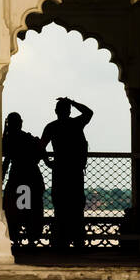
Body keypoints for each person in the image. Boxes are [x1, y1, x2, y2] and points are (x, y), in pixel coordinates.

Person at [40, 97, 93, 252]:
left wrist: (47, 161)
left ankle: (60, 241)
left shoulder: (52, 127)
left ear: (56, 111)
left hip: (60, 170)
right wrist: (72, 101)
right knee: (76, 207)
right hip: (74, 170)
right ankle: (77, 241)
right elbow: (89, 112)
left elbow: (41, 145)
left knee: (61, 206)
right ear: (69, 111)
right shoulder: (76, 124)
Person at [1, 112, 45, 248]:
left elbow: (7, 159)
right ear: (21, 123)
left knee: (15, 209)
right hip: (32, 178)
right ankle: (31, 238)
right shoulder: (29, 138)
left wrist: (1, 176)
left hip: (18, 178)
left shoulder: (10, 139)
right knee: (30, 209)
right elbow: (39, 154)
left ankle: (16, 238)